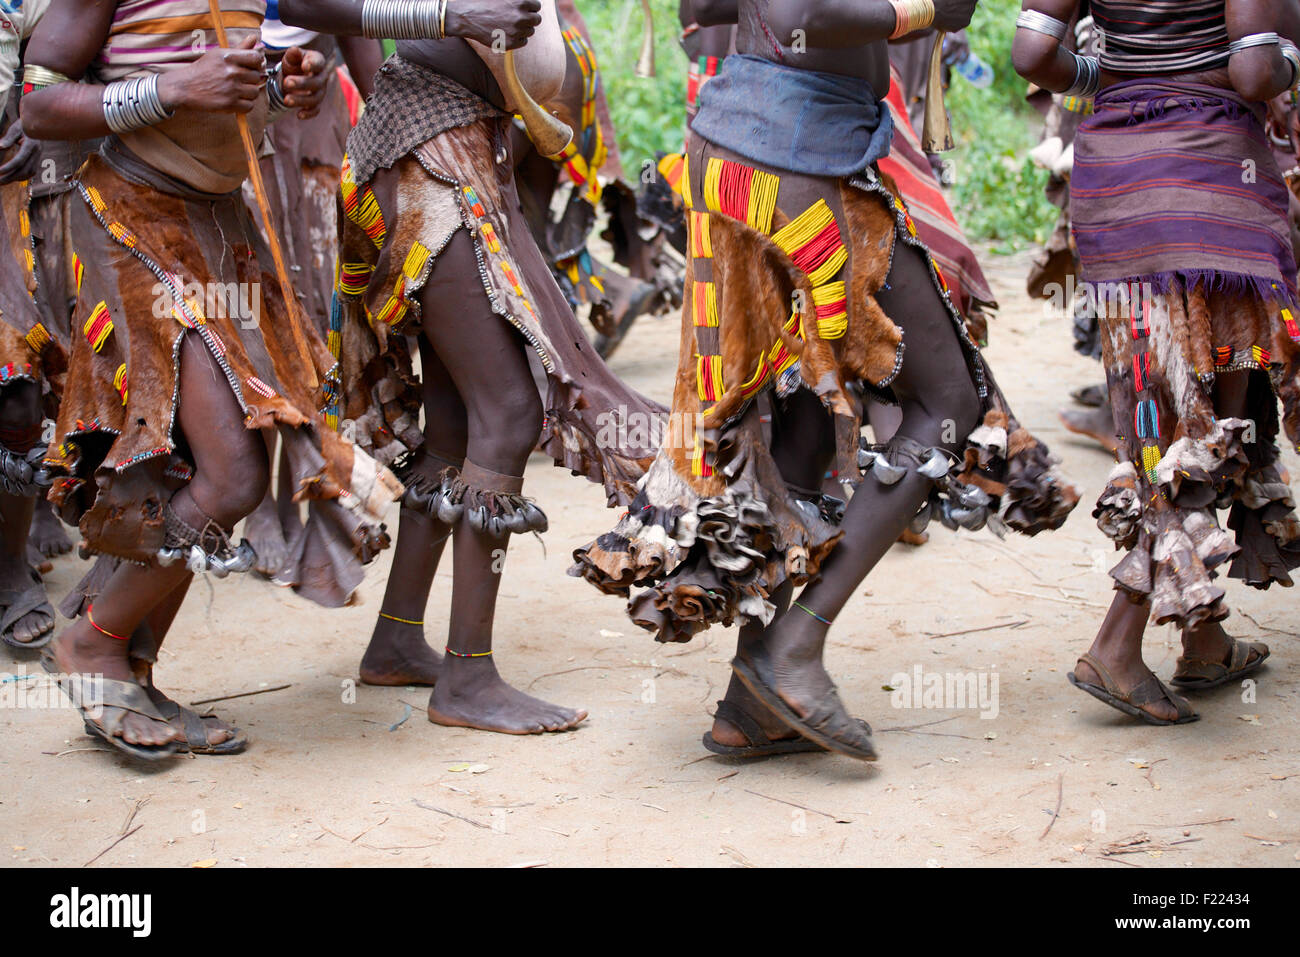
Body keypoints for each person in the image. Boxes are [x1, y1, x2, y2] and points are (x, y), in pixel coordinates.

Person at [572, 0, 1078, 761]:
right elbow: (800, 10)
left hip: (749, 140)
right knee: (948, 401)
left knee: (802, 408)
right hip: (796, 158)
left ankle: (752, 704)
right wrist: (929, 9)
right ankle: (794, 647)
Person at [20, 0, 402, 759]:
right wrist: (170, 92)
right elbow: (36, 104)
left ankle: (133, 667)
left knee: (193, 470)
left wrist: (291, 81)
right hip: (133, 218)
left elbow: (231, 73)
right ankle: (92, 643)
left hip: (219, 222)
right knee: (232, 475)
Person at [279, 0, 663, 735]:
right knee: (509, 411)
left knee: (457, 423)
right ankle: (468, 675)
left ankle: (397, 637)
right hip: (432, 153)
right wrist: (454, 11)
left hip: (465, 148)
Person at [1014, 0, 1300, 724]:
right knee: (1209, 425)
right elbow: (1255, 67)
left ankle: (1203, 635)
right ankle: (1115, 644)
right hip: (1206, 179)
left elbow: (1032, 54)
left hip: (1115, 179)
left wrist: (1114, 73)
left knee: (1162, 412)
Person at [240, 3, 384, 582]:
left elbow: (368, 63)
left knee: (318, 303)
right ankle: (257, 508)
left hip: (318, 127)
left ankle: (305, 486)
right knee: (249, 306)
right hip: (232, 123)